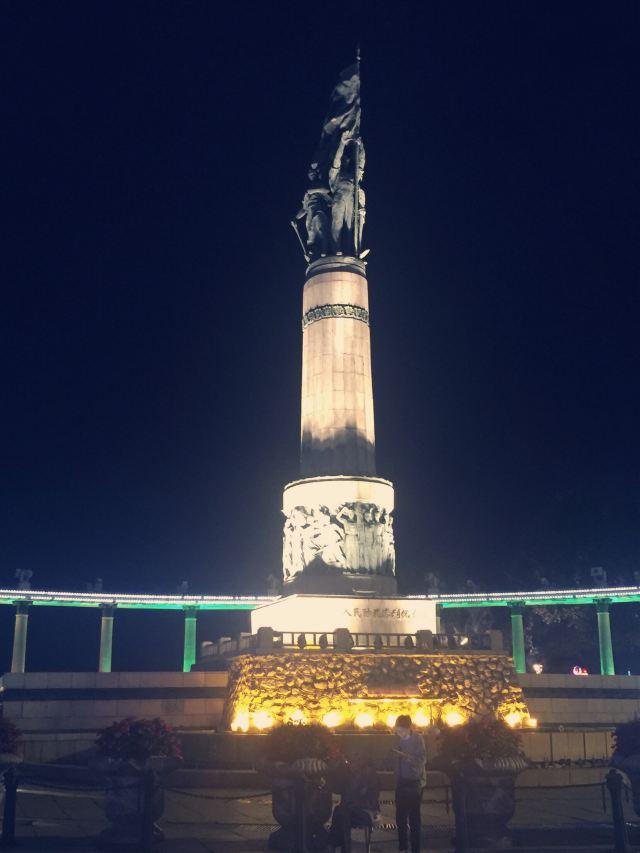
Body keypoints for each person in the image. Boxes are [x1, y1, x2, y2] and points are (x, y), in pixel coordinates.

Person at [328, 754, 380, 852]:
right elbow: (336, 789)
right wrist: (338, 770)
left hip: (365, 812)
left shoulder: (369, 776)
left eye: (355, 761)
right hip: (348, 812)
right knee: (340, 813)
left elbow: (372, 801)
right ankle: (338, 845)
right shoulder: (348, 775)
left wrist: (356, 805)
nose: (352, 764)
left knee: (342, 814)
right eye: (351, 761)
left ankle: (334, 845)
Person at [393, 715, 426, 853]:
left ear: (408, 728)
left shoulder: (418, 740)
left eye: (401, 730)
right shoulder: (397, 740)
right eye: (397, 730)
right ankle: (403, 847)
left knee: (414, 818)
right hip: (401, 781)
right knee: (400, 816)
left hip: (414, 782)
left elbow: (421, 760)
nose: (399, 733)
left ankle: (415, 848)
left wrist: (405, 757)